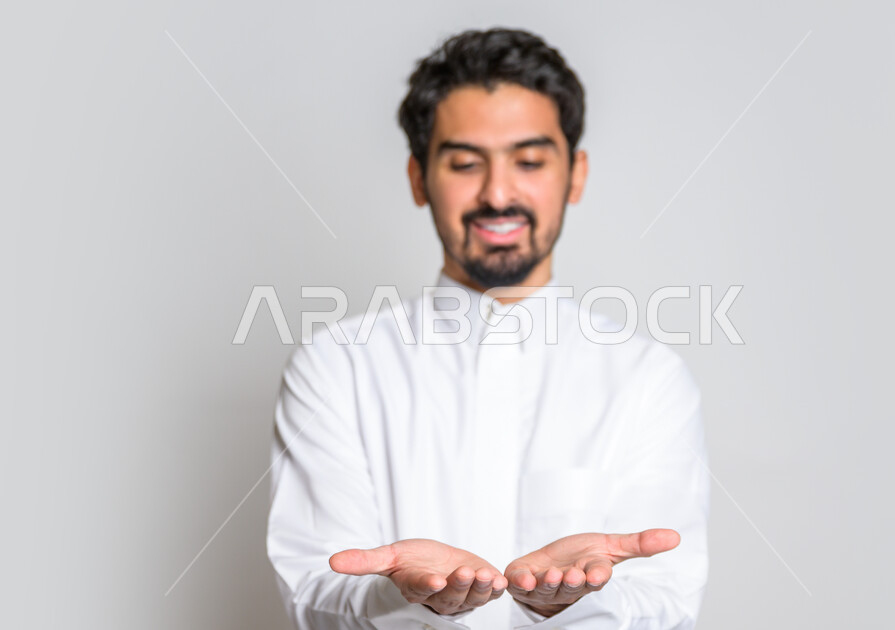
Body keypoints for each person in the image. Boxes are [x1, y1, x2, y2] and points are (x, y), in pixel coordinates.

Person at [267, 27, 710, 629]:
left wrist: (574, 602)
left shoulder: (648, 380)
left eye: (528, 161)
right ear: (419, 179)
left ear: (574, 174)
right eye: (465, 162)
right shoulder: (335, 367)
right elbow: (311, 595)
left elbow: (666, 605)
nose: (498, 193)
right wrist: (401, 595)